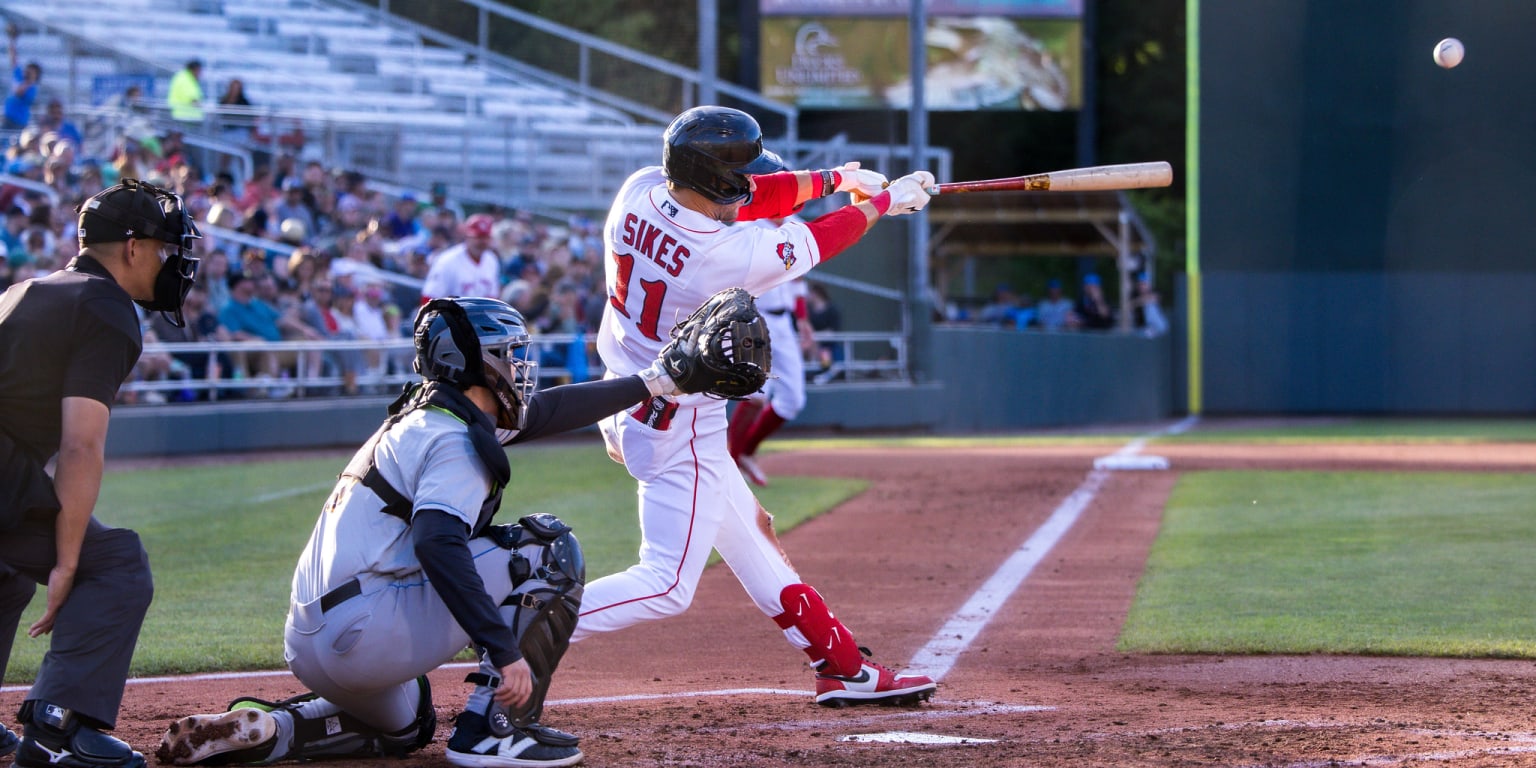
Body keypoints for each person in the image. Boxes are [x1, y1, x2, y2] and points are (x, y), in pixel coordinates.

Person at [156, 296, 717, 767]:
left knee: (409, 724)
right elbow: (436, 540)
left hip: (313, 641)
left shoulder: (423, 418)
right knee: (548, 550)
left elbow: (546, 412)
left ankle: (278, 729)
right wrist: (503, 650)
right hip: (365, 631)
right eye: (507, 355)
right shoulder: (452, 439)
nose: (519, 366)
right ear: (472, 363)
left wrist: (656, 380)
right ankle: (496, 728)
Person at [576, 105, 939, 706]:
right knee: (666, 582)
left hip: (623, 391)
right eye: (735, 179)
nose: (744, 189)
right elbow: (813, 238)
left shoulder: (640, 189)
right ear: (715, 181)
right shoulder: (724, 254)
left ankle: (843, 667)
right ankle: (514, 630)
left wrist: (838, 180)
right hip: (676, 419)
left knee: (752, 531)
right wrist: (883, 204)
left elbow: (749, 196)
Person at [0, 178, 201, 768]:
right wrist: (66, 564)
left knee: (7, 574)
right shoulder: (106, 307)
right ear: (133, 247)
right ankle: (60, 730)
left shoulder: (23, 288)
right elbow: (80, 446)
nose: (172, 264)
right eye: (166, 250)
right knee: (114, 564)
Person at [421, 212, 500, 301]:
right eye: (478, 237)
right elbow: (428, 298)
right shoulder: (447, 260)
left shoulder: (491, 260)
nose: (482, 242)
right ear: (467, 236)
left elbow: (492, 298)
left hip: (478, 313)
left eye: (486, 237)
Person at [3, 24, 40, 130]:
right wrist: (12, 40)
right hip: (8, 116)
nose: (27, 71)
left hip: (18, 121)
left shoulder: (33, 88)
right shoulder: (19, 75)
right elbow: (13, 59)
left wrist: (30, 80)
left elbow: (19, 92)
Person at [167, 59, 205, 124]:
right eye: (199, 71)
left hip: (182, 116)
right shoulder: (186, 79)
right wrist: (205, 108)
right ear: (194, 70)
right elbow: (193, 99)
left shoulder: (182, 77)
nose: (200, 74)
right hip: (185, 117)